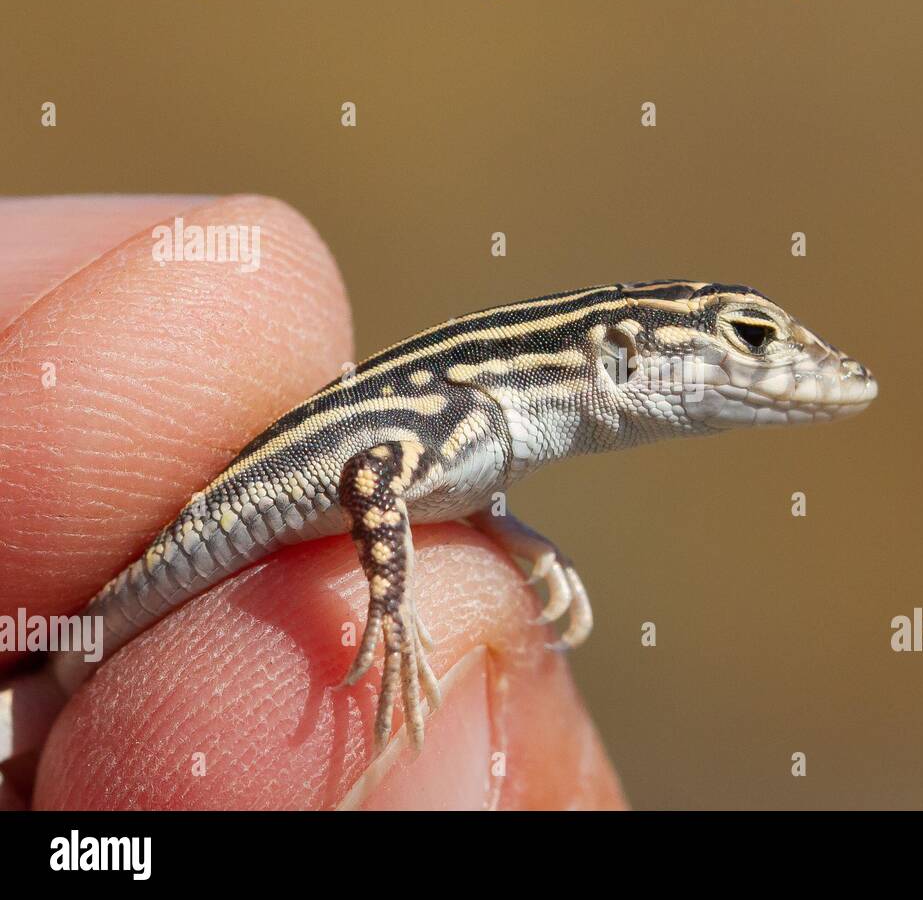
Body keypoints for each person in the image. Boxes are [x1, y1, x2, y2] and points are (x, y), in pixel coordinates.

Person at [0, 195, 626, 810]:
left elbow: (445, 482)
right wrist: (391, 600)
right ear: (625, 350)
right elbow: (370, 479)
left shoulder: (479, 410)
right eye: (731, 333)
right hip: (95, 626)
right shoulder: (469, 404)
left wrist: (511, 532)